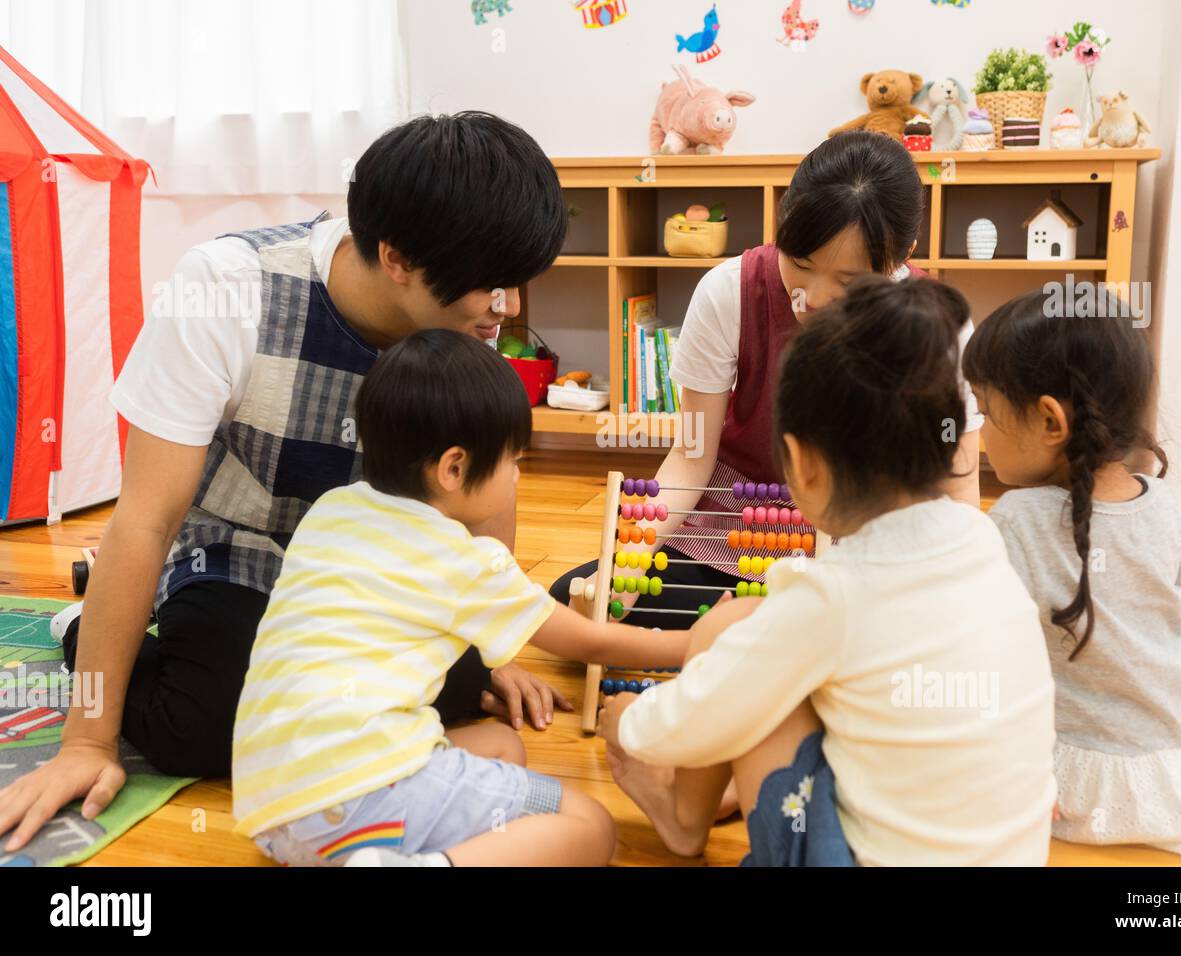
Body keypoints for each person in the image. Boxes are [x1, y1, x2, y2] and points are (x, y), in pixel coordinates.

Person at [1, 112, 572, 853]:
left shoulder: (470, 324)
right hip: (244, 550)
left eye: (515, 283)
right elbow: (145, 520)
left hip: (377, 567)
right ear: (397, 257)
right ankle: (83, 628)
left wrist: (498, 644)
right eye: (491, 286)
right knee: (202, 723)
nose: (510, 307)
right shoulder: (228, 288)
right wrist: (86, 739)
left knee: (460, 689)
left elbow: (488, 485)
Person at [597, 277, 1056, 866]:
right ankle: (687, 818)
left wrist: (631, 723)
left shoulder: (833, 594)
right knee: (749, 630)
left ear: (804, 464)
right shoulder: (984, 544)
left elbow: (714, 706)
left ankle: (687, 816)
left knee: (743, 649)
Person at [235, 331, 686, 866]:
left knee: (504, 748)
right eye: (513, 460)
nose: (517, 474)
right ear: (453, 468)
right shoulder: (463, 559)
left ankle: (354, 852)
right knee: (589, 828)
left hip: (274, 804)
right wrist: (693, 644)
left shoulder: (331, 510)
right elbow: (587, 639)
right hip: (365, 788)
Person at [549, 132, 982, 627]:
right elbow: (691, 455)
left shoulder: (938, 327)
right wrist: (624, 565)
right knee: (578, 599)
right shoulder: (729, 291)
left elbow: (958, 479)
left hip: (867, 545)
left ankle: (772, 643)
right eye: (800, 264)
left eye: (850, 281)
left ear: (903, 254)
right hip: (739, 535)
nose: (815, 297)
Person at [965, 289, 1181, 856]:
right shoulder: (1165, 505)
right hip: (1176, 745)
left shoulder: (1015, 519)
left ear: (1050, 421)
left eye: (985, 410)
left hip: (1079, 774)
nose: (981, 431)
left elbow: (983, 651)